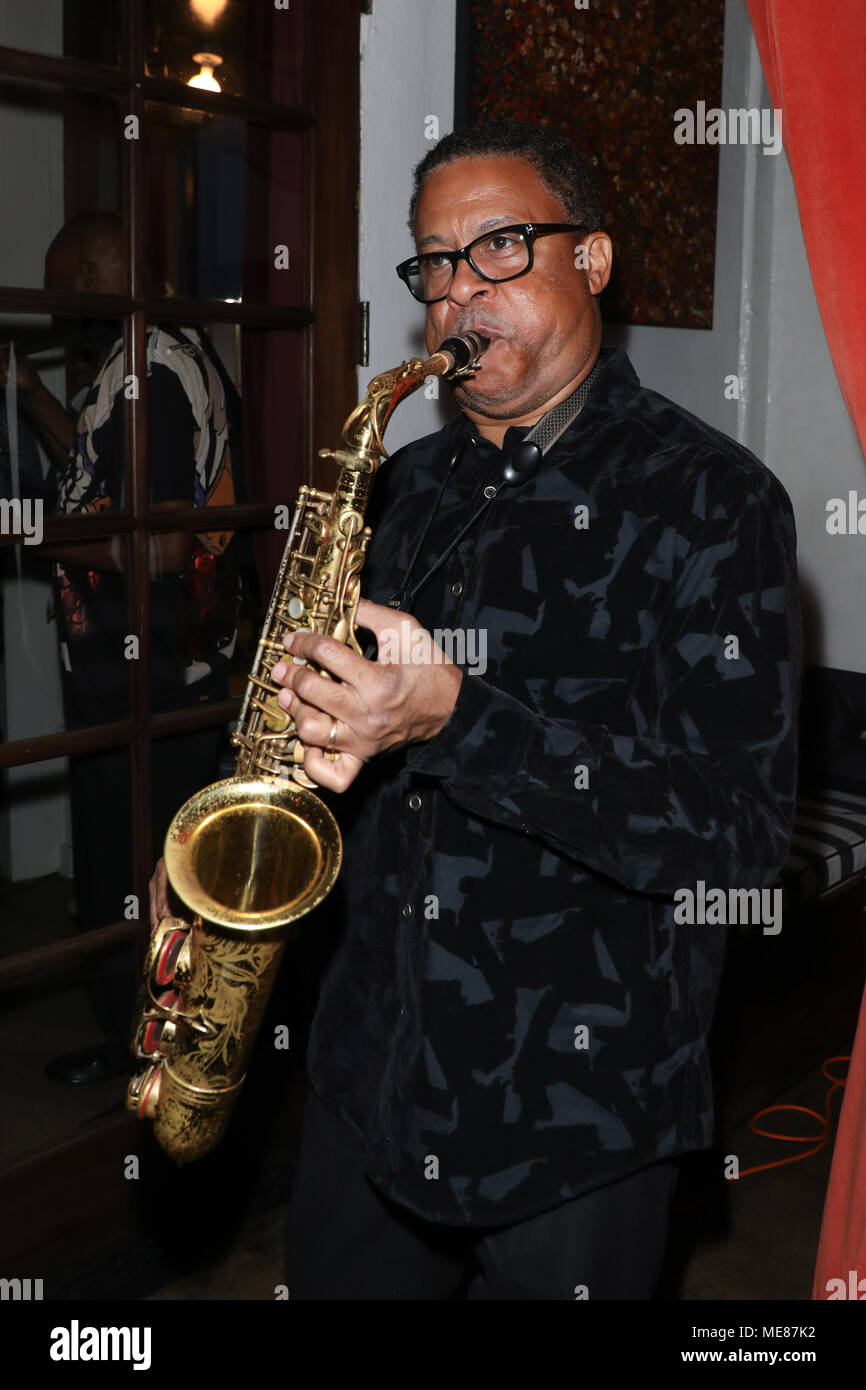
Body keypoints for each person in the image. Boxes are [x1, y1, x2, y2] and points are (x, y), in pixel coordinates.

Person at [152, 118, 802, 1299]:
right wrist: (222, 844)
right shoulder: (404, 483)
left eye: (498, 248)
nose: (456, 294)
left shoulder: (714, 502)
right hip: (368, 1078)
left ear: (591, 261)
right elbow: (314, 705)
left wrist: (457, 720)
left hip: (572, 1124)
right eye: (434, 263)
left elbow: (737, 839)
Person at [2, 211, 244, 1084]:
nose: (60, 304)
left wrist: (30, 534)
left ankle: (156, 1060)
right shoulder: (133, 360)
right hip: (122, 672)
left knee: (149, 880)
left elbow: (162, 546)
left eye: (68, 284)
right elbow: (101, 481)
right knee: (117, 873)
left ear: (108, 270)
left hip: (159, 683)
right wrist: (30, 391)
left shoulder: (158, 367)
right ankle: (129, 1048)